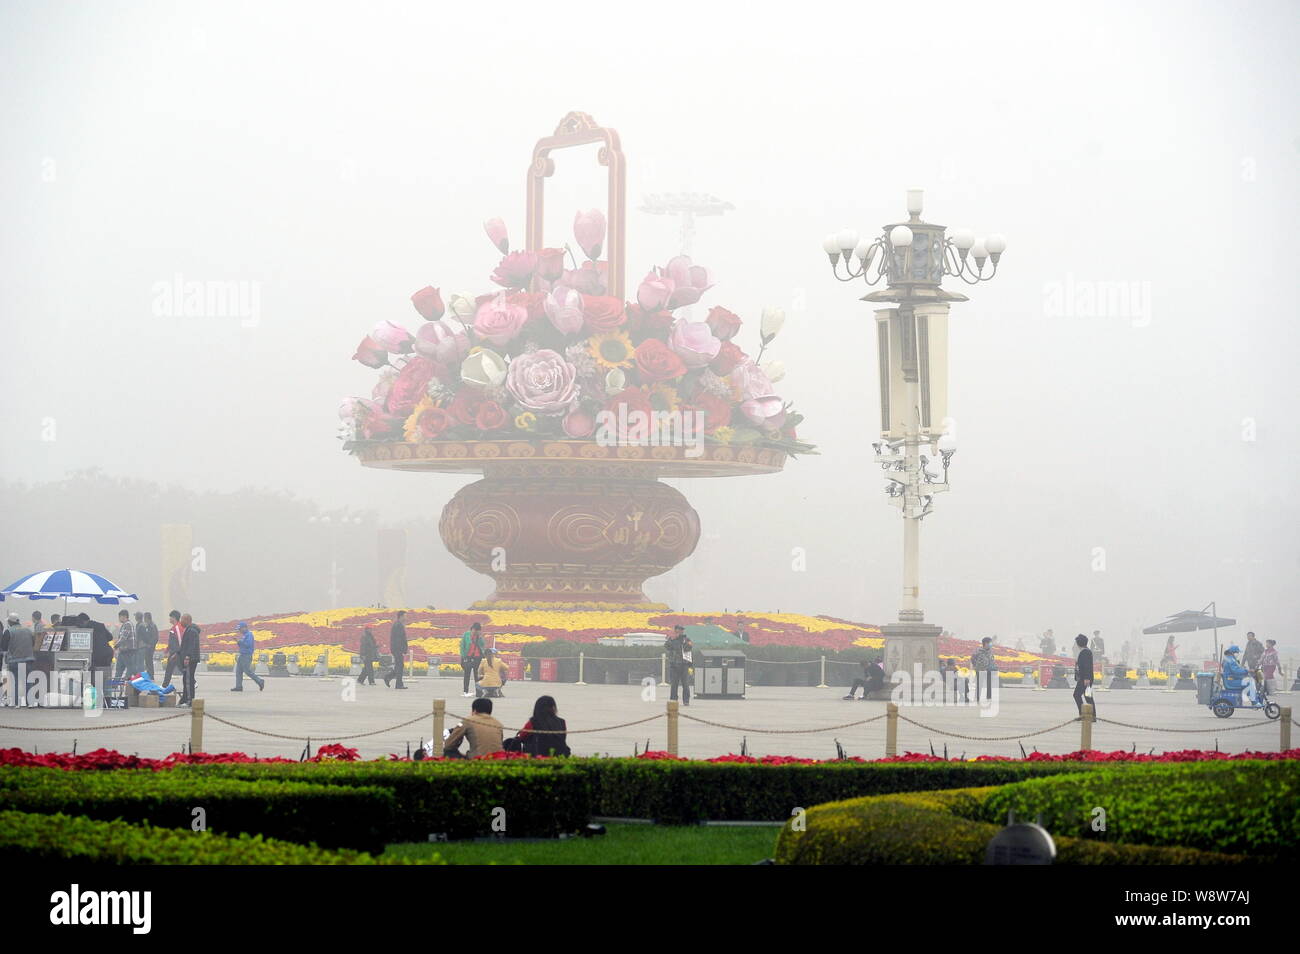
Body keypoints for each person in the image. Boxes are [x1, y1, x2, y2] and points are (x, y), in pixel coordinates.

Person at [3, 613, 35, 708]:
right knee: (28, 681)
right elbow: (33, 643)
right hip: (28, 659)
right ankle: (30, 703)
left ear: (10, 622)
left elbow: (4, 646)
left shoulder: (8, 631)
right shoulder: (28, 630)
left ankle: (16, 703)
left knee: (15, 682)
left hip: (14, 661)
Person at [231, 621, 265, 692]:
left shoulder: (249, 635)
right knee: (238, 671)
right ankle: (239, 686)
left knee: (247, 671)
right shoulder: (244, 635)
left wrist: (239, 641)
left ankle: (260, 681)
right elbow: (242, 645)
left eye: (240, 629)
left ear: (245, 628)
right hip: (242, 655)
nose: (239, 631)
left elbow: (248, 645)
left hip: (246, 655)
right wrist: (238, 641)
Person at [665, 624, 693, 706]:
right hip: (674, 664)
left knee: (686, 684)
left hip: (684, 665)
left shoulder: (686, 639)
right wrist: (672, 639)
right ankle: (673, 699)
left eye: (681, 630)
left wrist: (683, 642)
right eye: (678, 630)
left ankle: (686, 700)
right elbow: (667, 646)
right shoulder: (671, 639)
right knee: (674, 684)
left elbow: (689, 648)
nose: (680, 632)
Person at [178, 613, 201, 706]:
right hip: (189, 658)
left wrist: (187, 656)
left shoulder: (191, 631)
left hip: (190, 660)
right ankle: (184, 699)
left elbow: (191, 646)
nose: (180, 622)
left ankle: (189, 700)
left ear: (187, 620)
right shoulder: (189, 630)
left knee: (188, 680)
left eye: (182, 619)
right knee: (186, 679)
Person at [382, 610, 409, 689]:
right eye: (405, 616)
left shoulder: (398, 624)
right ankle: (397, 683)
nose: (406, 617)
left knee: (399, 666)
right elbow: (398, 639)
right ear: (401, 616)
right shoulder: (398, 625)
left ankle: (389, 678)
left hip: (397, 649)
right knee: (400, 666)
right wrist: (401, 649)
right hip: (397, 649)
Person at [1072, 634, 1096, 716]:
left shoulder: (1085, 652)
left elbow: (1086, 666)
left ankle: (1084, 714)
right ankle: (1090, 715)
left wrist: (1086, 678)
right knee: (1088, 696)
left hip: (1085, 679)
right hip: (1086, 678)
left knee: (1077, 695)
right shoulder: (1085, 651)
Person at [460, 621, 484, 697]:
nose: (475, 632)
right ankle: (465, 691)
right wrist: (463, 657)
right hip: (468, 657)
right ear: (472, 629)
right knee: (467, 675)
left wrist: (480, 638)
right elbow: (462, 646)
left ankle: (478, 692)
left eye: (477, 630)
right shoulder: (466, 635)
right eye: (475, 630)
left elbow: (483, 645)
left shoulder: (479, 637)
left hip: (477, 658)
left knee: (477, 675)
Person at [113, 609, 137, 679]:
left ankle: (130, 679)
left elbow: (123, 638)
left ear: (124, 616)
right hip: (123, 650)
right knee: (119, 669)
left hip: (127, 650)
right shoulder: (125, 625)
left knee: (130, 668)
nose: (119, 619)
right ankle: (115, 684)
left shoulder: (127, 625)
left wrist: (115, 646)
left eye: (119, 617)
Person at [162, 610, 184, 689]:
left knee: (181, 669)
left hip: (176, 653)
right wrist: (167, 650)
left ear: (174, 618)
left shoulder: (177, 627)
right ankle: (164, 685)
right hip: (173, 652)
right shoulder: (173, 628)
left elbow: (180, 640)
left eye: (170, 617)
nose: (169, 619)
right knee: (170, 669)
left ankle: (193, 682)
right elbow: (171, 641)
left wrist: (177, 652)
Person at [137, 611, 159, 678]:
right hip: (148, 646)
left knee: (149, 660)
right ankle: (150, 674)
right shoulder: (148, 625)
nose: (144, 619)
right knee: (148, 660)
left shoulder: (152, 626)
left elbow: (155, 637)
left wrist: (150, 644)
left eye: (145, 618)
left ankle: (151, 675)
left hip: (150, 646)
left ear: (147, 618)